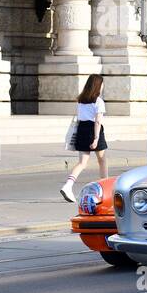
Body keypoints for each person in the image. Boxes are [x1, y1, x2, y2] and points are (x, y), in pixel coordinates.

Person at [61, 74, 109, 202]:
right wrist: (96, 138)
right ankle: (105, 189)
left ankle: (68, 185)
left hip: (82, 129)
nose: (103, 86)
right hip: (93, 130)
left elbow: (80, 116)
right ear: (98, 85)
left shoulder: (81, 100)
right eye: (102, 84)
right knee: (102, 160)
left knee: (82, 163)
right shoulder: (98, 101)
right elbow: (98, 122)